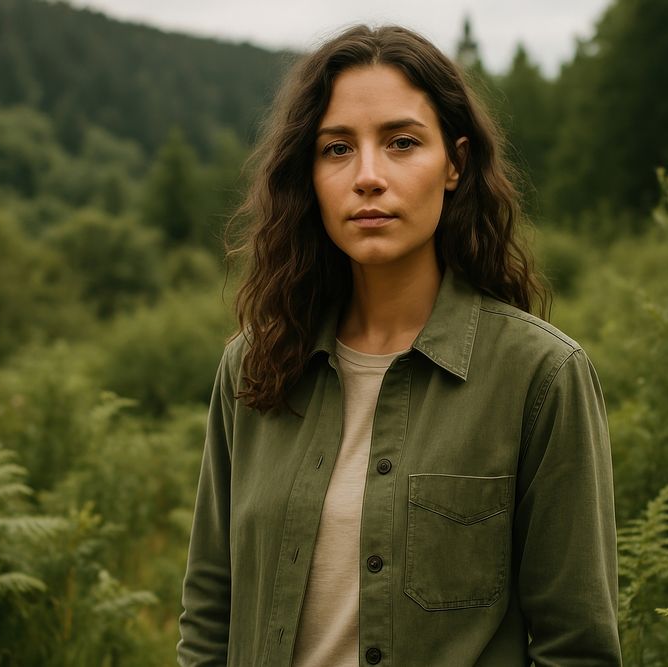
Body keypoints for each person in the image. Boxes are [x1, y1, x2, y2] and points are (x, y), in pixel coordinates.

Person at [177, 24, 621, 667]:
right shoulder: (253, 367)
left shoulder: (541, 376)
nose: (367, 177)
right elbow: (208, 615)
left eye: (402, 143)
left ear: (455, 165)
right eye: (336, 149)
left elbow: (576, 647)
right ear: (310, 175)